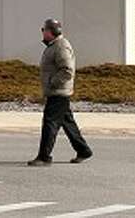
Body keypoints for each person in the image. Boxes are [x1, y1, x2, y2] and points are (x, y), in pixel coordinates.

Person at [27, 17, 91, 165]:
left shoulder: (61, 46)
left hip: (58, 92)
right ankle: (83, 150)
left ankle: (44, 157)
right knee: (67, 123)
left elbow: (67, 70)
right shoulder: (53, 45)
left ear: (50, 32)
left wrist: (52, 83)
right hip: (57, 91)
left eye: (44, 30)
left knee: (50, 124)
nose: (42, 32)